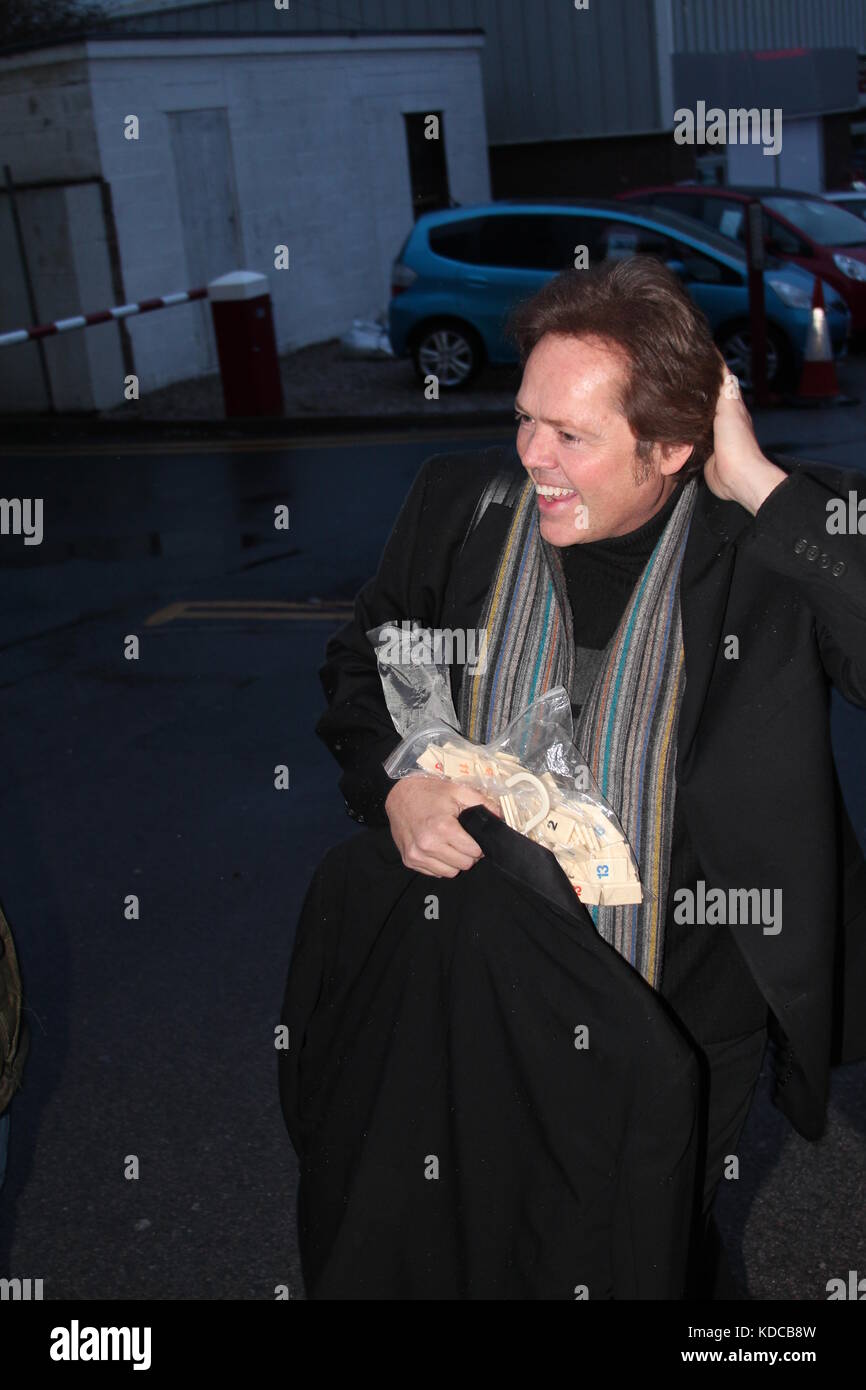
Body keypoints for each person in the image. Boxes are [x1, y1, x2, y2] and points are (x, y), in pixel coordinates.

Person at [289, 255, 866, 1298]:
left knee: (644, 1247)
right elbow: (381, 654)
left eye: (570, 436)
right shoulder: (462, 506)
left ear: (670, 447)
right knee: (482, 1230)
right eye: (523, 417)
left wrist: (754, 481)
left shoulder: (762, 546)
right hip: (485, 983)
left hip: (684, 1013)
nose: (530, 454)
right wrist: (401, 778)